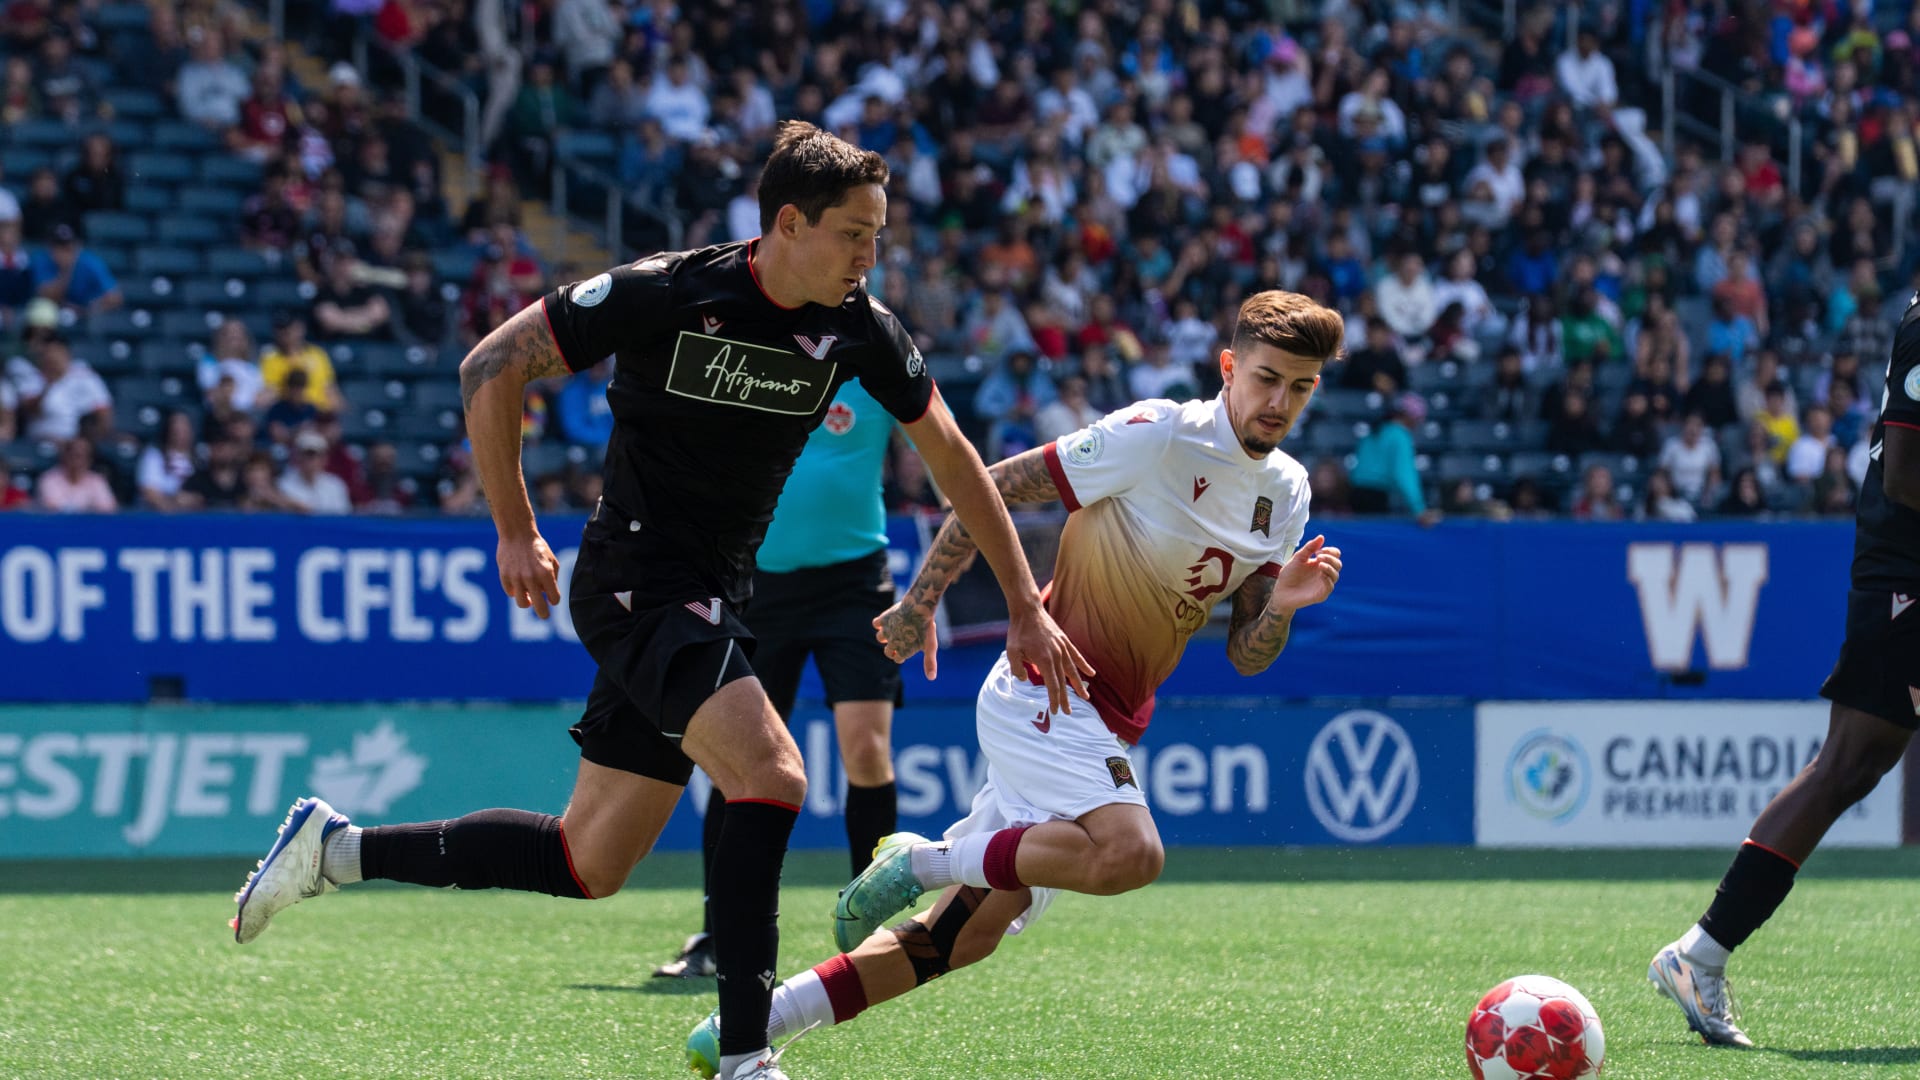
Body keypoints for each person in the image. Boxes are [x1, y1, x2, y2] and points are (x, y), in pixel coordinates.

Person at [231, 121, 1088, 1080]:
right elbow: (490, 367)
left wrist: (1021, 599)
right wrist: (515, 528)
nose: (870, 255)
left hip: (716, 593)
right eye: (854, 233)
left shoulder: (861, 331)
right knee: (774, 775)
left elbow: (956, 462)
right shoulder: (670, 291)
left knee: (585, 863)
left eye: (878, 235)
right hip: (636, 580)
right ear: (788, 224)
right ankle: (747, 1056)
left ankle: (334, 851)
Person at [684, 290, 1345, 1075]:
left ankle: (742, 1032)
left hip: (1110, 719)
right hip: (1046, 691)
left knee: (961, 938)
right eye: (1267, 378)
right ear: (1229, 367)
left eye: (1300, 387)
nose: (1280, 401)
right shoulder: (1160, 435)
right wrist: (920, 602)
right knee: (1130, 855)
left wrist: (1287, 608)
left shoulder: (1289, 493)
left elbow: (1246, 653)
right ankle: (926, 858)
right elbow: (985, 486)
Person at [1651, 293, 1920, 1047]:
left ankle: (1699, 952)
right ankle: (1699, 952)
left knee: (1849, 768)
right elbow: (1904, 473)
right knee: (1845, 766)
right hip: (1908, 575)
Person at [653, 379, 905, 981]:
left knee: (867, 750)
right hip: (758, 585)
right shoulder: (757, 367)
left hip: (856, 586)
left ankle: (869, 928)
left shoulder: (879, 370)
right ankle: (719, 934)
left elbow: (949, 456)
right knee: (739, 758)